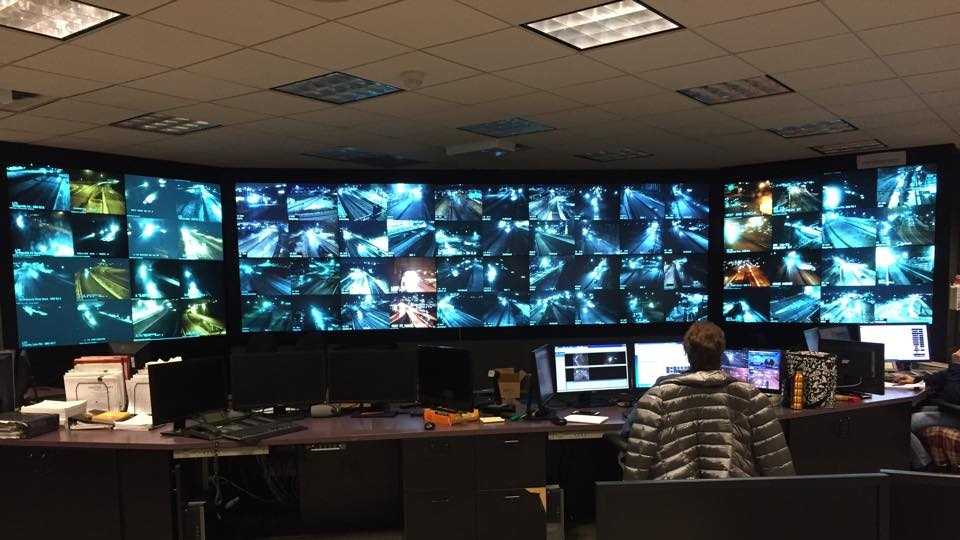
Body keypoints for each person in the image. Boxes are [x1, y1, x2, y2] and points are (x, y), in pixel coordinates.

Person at [620, 321, 795, 480]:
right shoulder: (751, 396)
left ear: (687, 352)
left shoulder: (656, 397)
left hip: (673, 502)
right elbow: (778, 466)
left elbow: (636, 466)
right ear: (722, 352)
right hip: (734, 500)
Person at [892, 349, 960, 469]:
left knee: (901, 424)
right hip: (953, 411)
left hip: (955, 412)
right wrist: (917, 379)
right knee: (912, 412)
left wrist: (956, 364)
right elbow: (945, 375)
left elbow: (953, 396)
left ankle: (925, 467)